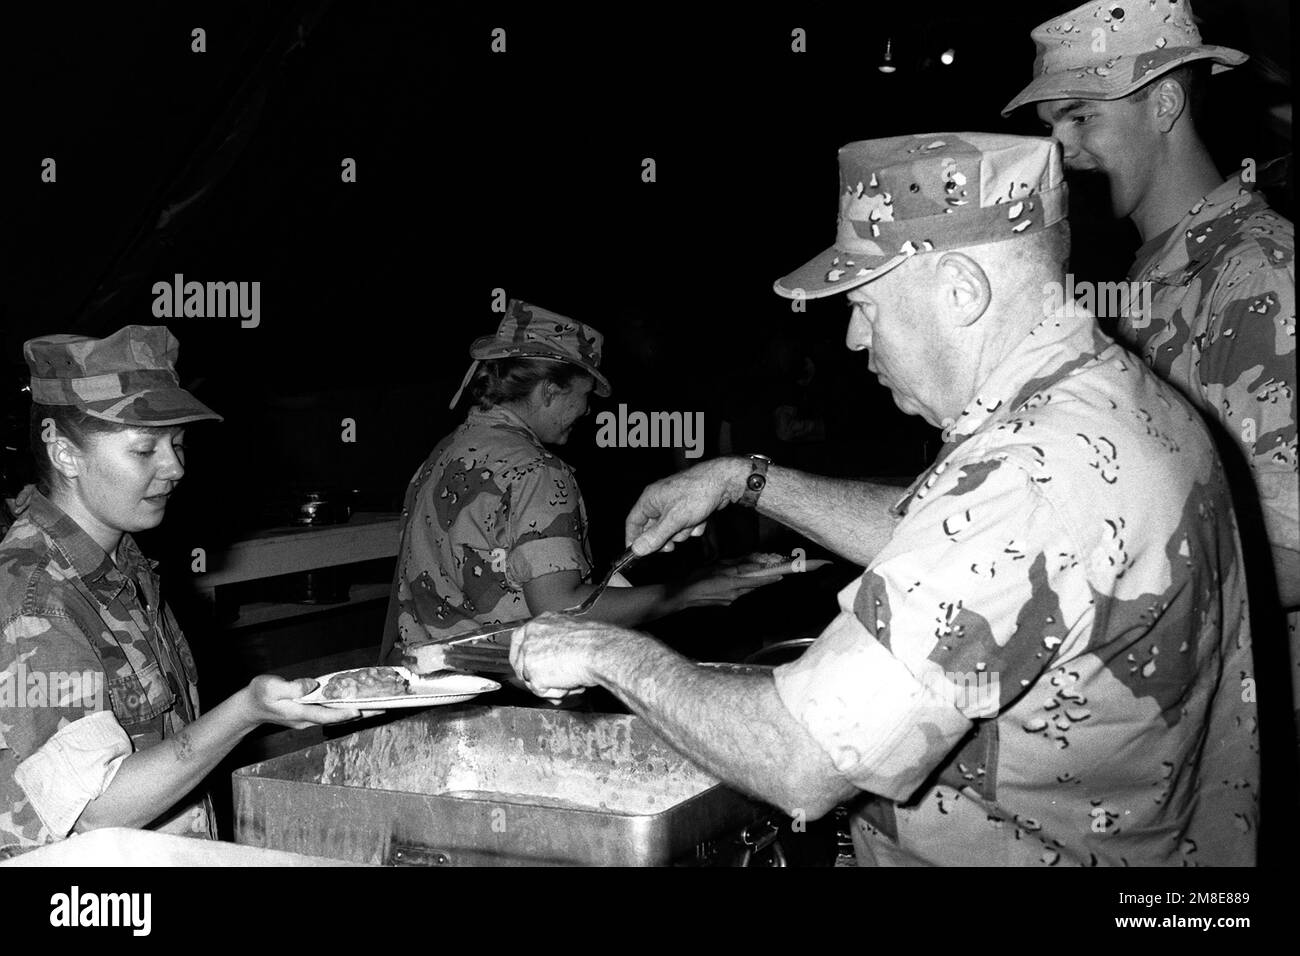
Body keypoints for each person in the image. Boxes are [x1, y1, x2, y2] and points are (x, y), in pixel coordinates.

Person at [509, 133, 1259, 865]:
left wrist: (605, 653)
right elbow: (942, 530)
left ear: (962, 291)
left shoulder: (1027, 475)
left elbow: (799, 761)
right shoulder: (1105, 396)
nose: (853, 339)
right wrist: (742, 478)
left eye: (865, 304)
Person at [1002, 0, 1298, 738]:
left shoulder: (1257, 273)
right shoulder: (1148, 279)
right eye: (1051, 127)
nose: (1061, 150)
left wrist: (1074, 588)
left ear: (1165, 101)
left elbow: (1290, 559)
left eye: (1079, 116)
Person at [0, 326, 359, 858]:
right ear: (64, 453)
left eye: (178, 443)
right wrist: (246, 712)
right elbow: (99, 806)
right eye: (145, 449)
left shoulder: (121, 562)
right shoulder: (35, 594)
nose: (174, 467)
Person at [378, 300, 771, 666]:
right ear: (550, 390)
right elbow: (559, 609)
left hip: (427, 686)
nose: (586, 410)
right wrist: (685, 594)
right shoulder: (537, 471)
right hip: (510, 698)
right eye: (584, 395)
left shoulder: (441, 456)